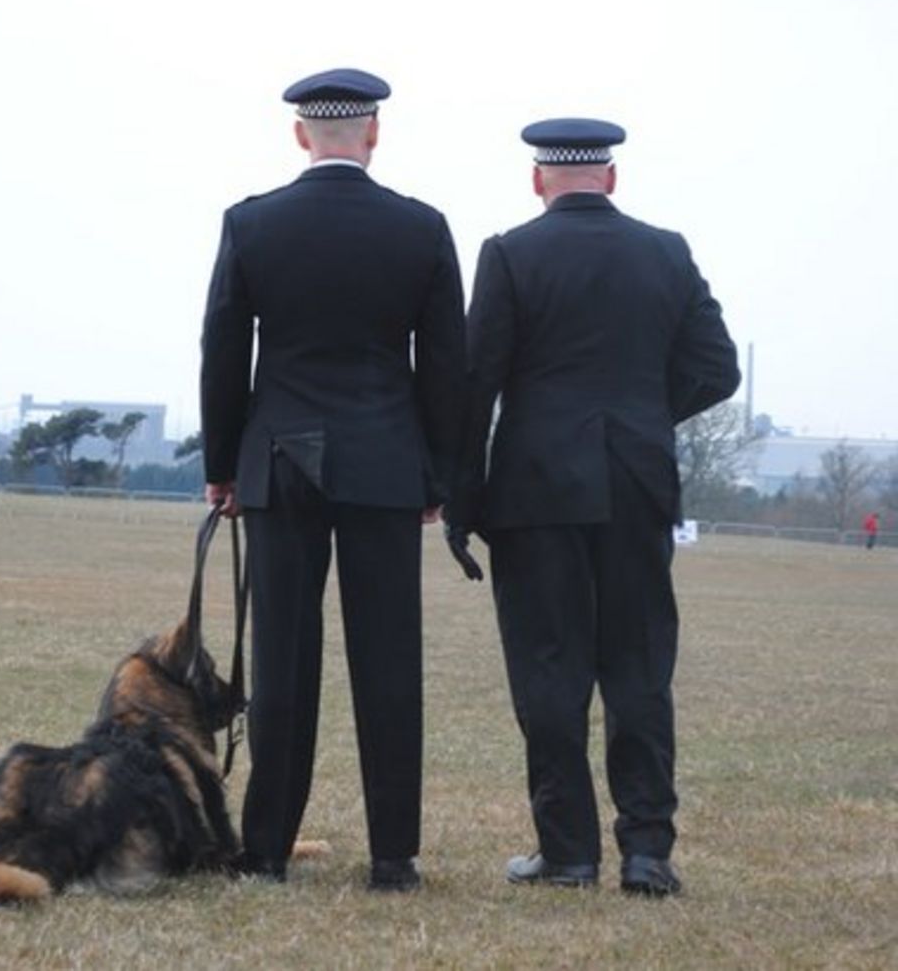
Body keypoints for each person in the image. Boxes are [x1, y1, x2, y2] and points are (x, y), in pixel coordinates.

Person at [446, 118, 740, 897]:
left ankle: (569, 852)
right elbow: (717, 368)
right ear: (610, 179)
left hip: (535, 486)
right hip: (637, 483)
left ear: (539, 181)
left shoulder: (510, 253)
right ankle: (648, 852)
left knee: (549, 668)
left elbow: (476, 384)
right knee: (640, 666)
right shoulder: (666, 251)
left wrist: (459, 498)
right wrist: (642, 416)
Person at [200, 68, 466, 892]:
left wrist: (222, 468)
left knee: (283, 662)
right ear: (374, 133)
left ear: (301, 135)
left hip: (280, 462)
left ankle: (267, 850)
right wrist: (438, 473)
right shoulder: (421, 229)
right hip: (385, 463)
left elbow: (222, 354)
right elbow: (445, 367)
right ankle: (393, 856)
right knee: (389, 662)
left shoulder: (252, 223)